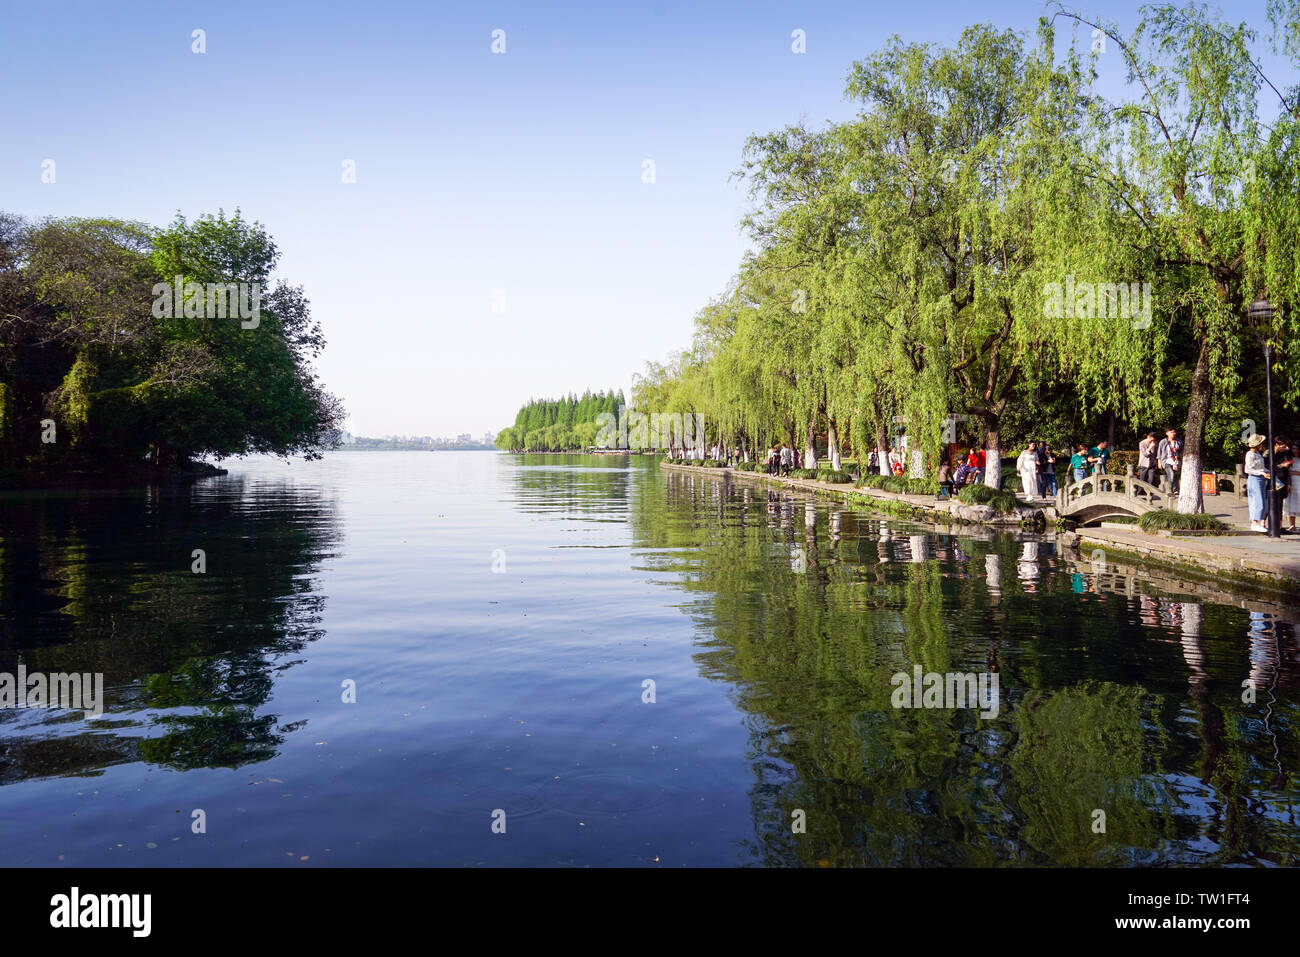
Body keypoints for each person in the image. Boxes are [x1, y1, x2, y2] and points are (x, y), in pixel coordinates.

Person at [1245, 433, 1270, 531]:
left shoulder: (1258, 454)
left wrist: (1266, 471)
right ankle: (1255, 523)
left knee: (1262, 501)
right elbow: (1248, 469)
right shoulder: (1250, 454)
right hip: (1254, 478)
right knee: (1257, 501)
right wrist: (1262, 473)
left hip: (1260, 479)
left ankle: (1257, 522)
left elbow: (1260, 467)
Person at [1157, 428, 1180, 493]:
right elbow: (1159, 452)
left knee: (1173, 475)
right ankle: (1169, 489)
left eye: (1174, 432)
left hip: (1175, 461)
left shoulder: (1178, 441)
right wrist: (1159, 462)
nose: (1173, 434)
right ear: (1167, 433)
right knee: (1171, 474)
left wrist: (1176, 462)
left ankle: (1172, 489)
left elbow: (1179, 452)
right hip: (1166, 460)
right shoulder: (1163, 442)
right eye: (1171, 432)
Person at [1285, 439, 1300, 532]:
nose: (1295, 451)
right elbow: (1286, 470)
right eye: (1293, 449)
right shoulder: (1290, 459)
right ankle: (1292, 525)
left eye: (1297, 449)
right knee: (1290, 503)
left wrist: (1293, 472)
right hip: (1291, 482)